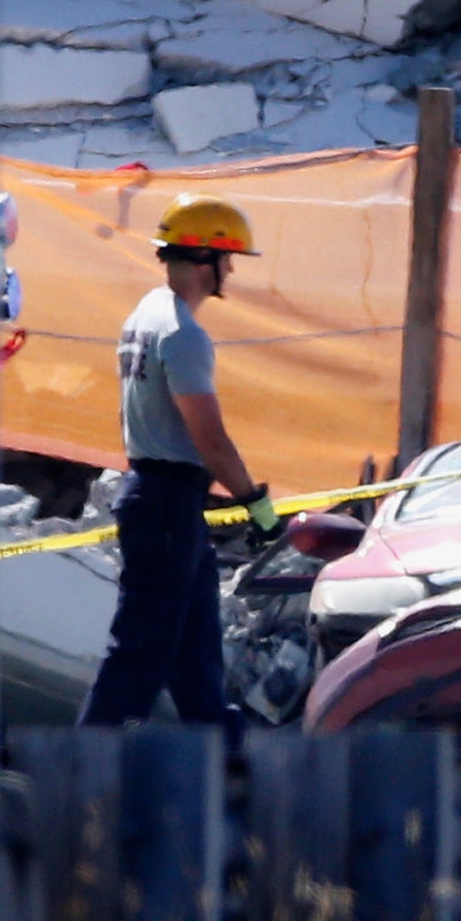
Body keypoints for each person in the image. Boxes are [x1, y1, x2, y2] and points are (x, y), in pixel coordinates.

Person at [77, 193, 283, 747]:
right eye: (228, 259)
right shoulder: (184, 335)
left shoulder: (147, 310)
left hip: (165, 499)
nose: (232, 270)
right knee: (143, 647)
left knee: (195, 649)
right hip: (167, 501)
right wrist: (255, 503)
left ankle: (218, 747)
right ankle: (90, 758)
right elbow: (209, 438)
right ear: (204, 260)